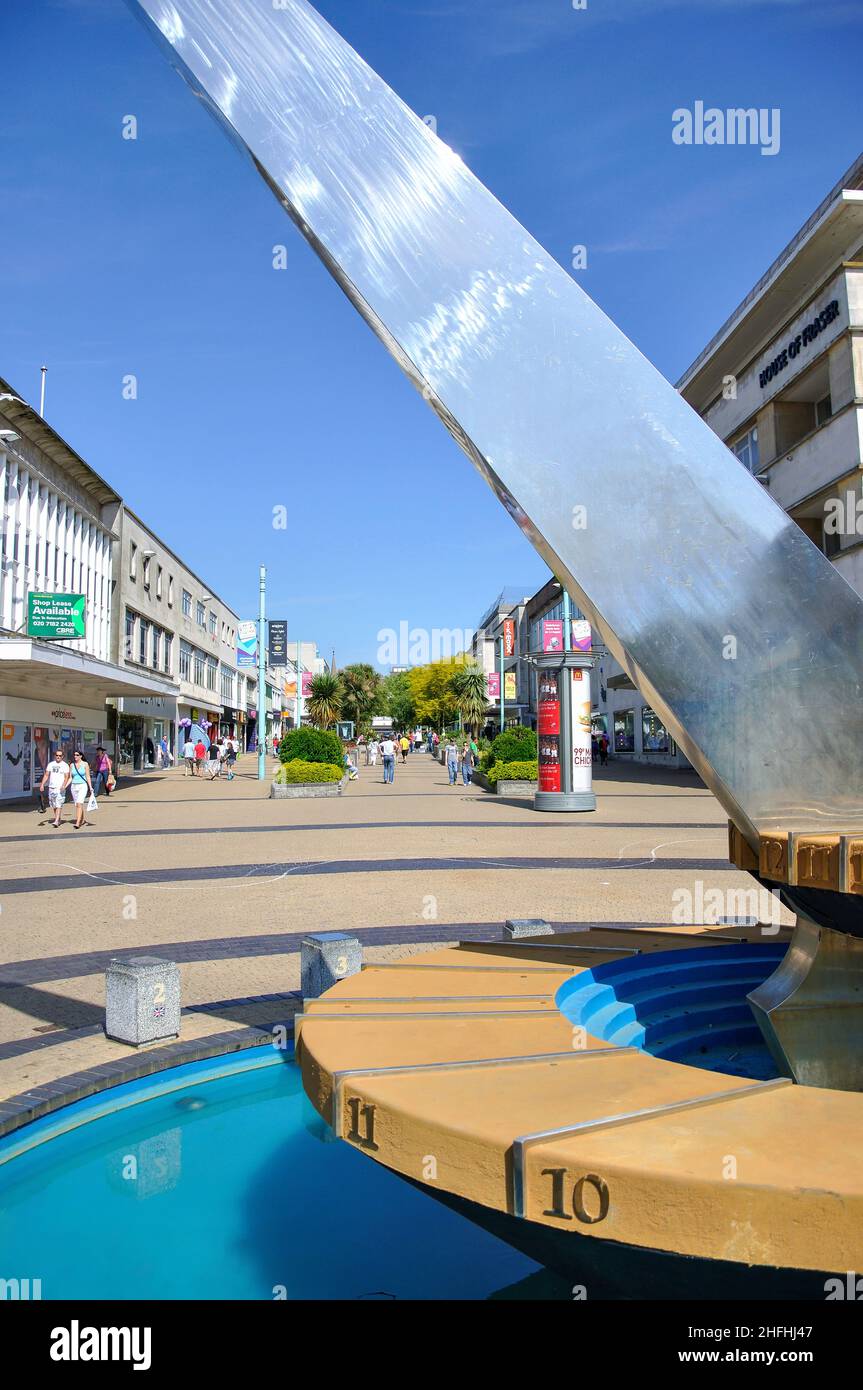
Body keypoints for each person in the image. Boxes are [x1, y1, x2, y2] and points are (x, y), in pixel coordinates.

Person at [40, 747, 70, 828]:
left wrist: (64, 785)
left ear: (62, 756)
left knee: (59, 804)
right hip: (51, 787)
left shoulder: (65, 765)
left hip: (59, 788)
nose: (58, 757)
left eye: (60, 756)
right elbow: (46, 775)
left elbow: (67, 777)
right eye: (57, 755)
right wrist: (42, 784)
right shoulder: (51, 764)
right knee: (53, 805)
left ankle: (56, 820)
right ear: (55, 756)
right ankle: (58, 818)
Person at [68, 749, 94, 829]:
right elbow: (70, 778)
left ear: (81, 756)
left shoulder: (85, 764)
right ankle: (82, 819)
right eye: (74, 755)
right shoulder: (72, 765)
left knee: (79, 803)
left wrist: (90, 787)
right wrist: (64, 786)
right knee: (77, 804)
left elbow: (88, 776)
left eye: (77, 755)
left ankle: (77, 822)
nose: (75, 756)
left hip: (82, 785)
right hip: (74, 786)